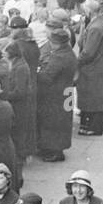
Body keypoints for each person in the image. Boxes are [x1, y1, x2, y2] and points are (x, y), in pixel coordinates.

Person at [76, 0, 103, 136]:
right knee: (99, 97)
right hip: (102, 63)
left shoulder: (95, 27)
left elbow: (88, 52)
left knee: (93, 98)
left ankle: (94, 128)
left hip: (94, 66)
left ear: (89, 11)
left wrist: (77, 62)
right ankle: (93, 126)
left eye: (84, 10)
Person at [35, 28, 78, 162]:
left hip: (55, 95)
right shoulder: (69, 53)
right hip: (67, 92)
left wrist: (36, 73)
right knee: (64, 121)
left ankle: (54, 150)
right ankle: (57, 148)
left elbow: (47, 77)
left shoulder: (58, 57)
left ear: (56, 43)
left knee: (53, 121)